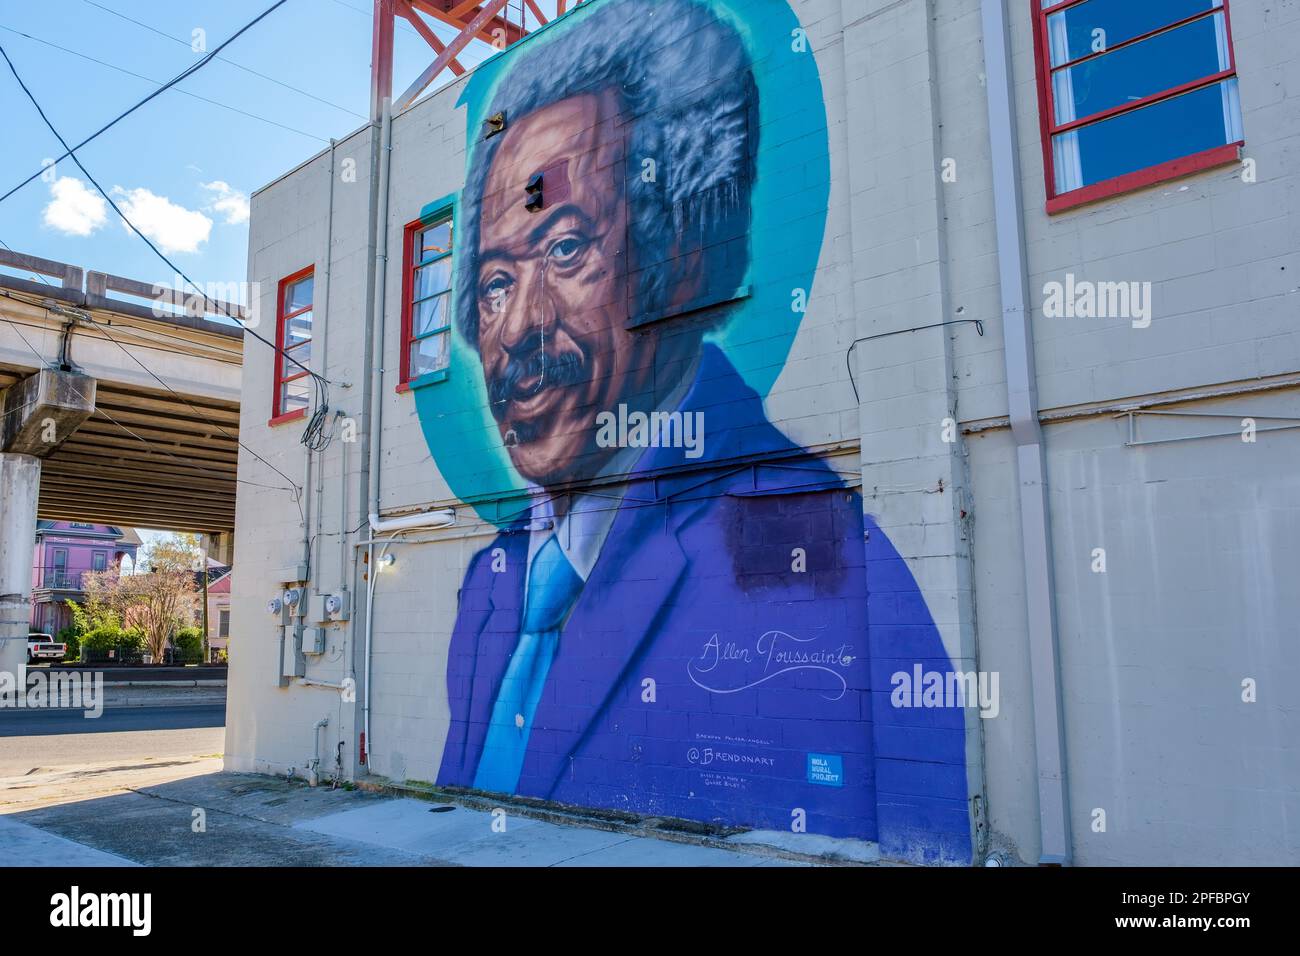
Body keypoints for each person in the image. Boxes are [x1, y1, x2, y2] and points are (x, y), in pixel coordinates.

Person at [435, 0, 964, 842]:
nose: (517, 326)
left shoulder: (813, 553)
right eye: (495, 282)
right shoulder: (487, 589)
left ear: (684, 251)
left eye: (567, 251)